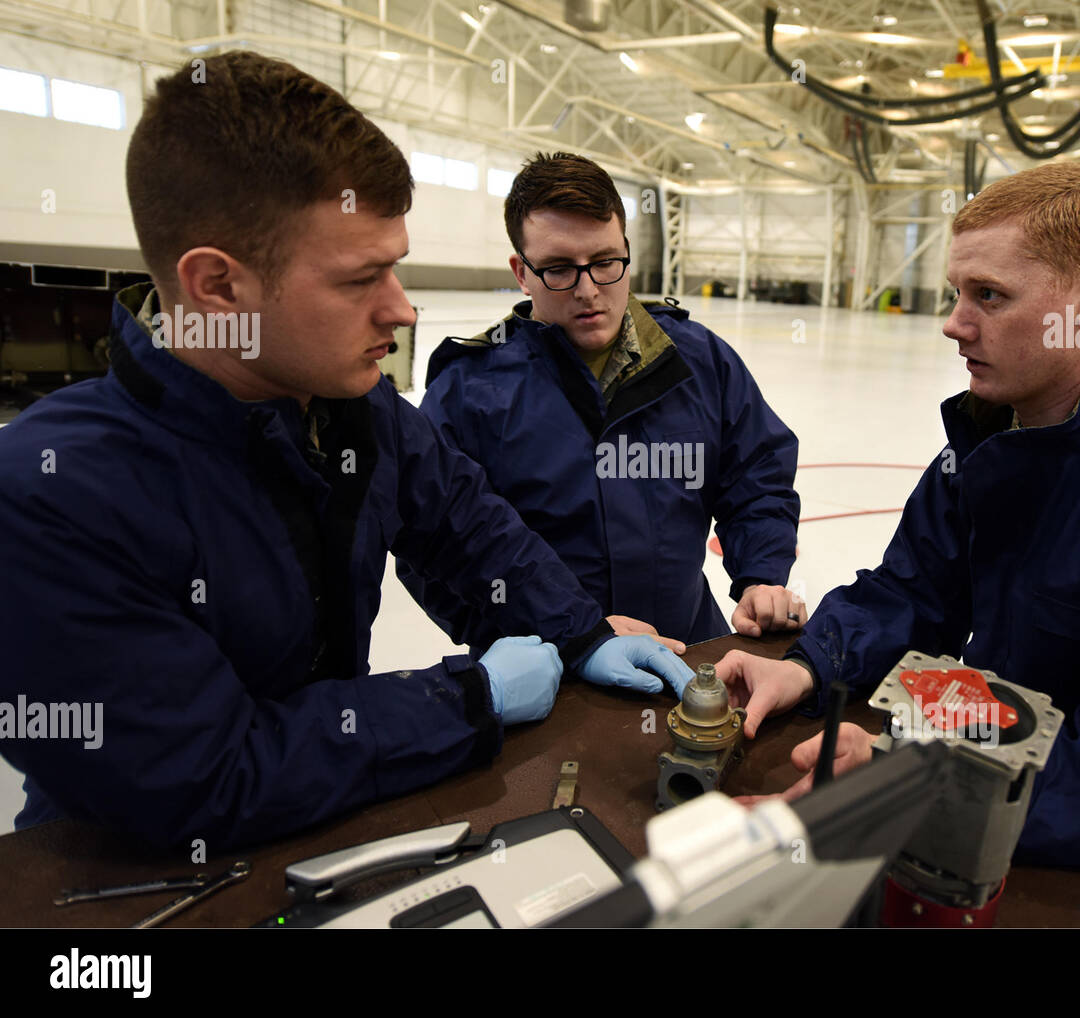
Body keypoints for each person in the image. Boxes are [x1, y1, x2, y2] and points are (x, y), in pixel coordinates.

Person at [0, 52, 693, 853]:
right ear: (219, 289)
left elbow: (468, 530)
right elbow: (204, 775)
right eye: (362, 278)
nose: (401, 310)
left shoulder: (352, 410)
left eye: (396, 266)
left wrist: (584, 635)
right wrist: (467, 700)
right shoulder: (47, 498)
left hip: (323, 820)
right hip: (129, 888)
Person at [714, 162, 1080, 928]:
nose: (955, 323)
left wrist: (907, 783)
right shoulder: (998, 438)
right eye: (958, 293)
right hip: (1008, 824)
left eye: (989, 296)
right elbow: (911, 591)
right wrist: (808, 666)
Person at [398, 152, 804, 653]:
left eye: (606, 263)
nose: (588, 290)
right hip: (551, 674)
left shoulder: (699, 361)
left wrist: (760, 574)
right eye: (559, 269)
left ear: (627, 251)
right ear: (521, 272)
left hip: (692, 648)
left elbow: (756, 476)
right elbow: (431, 552)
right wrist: (548, 641)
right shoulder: (468, 392)